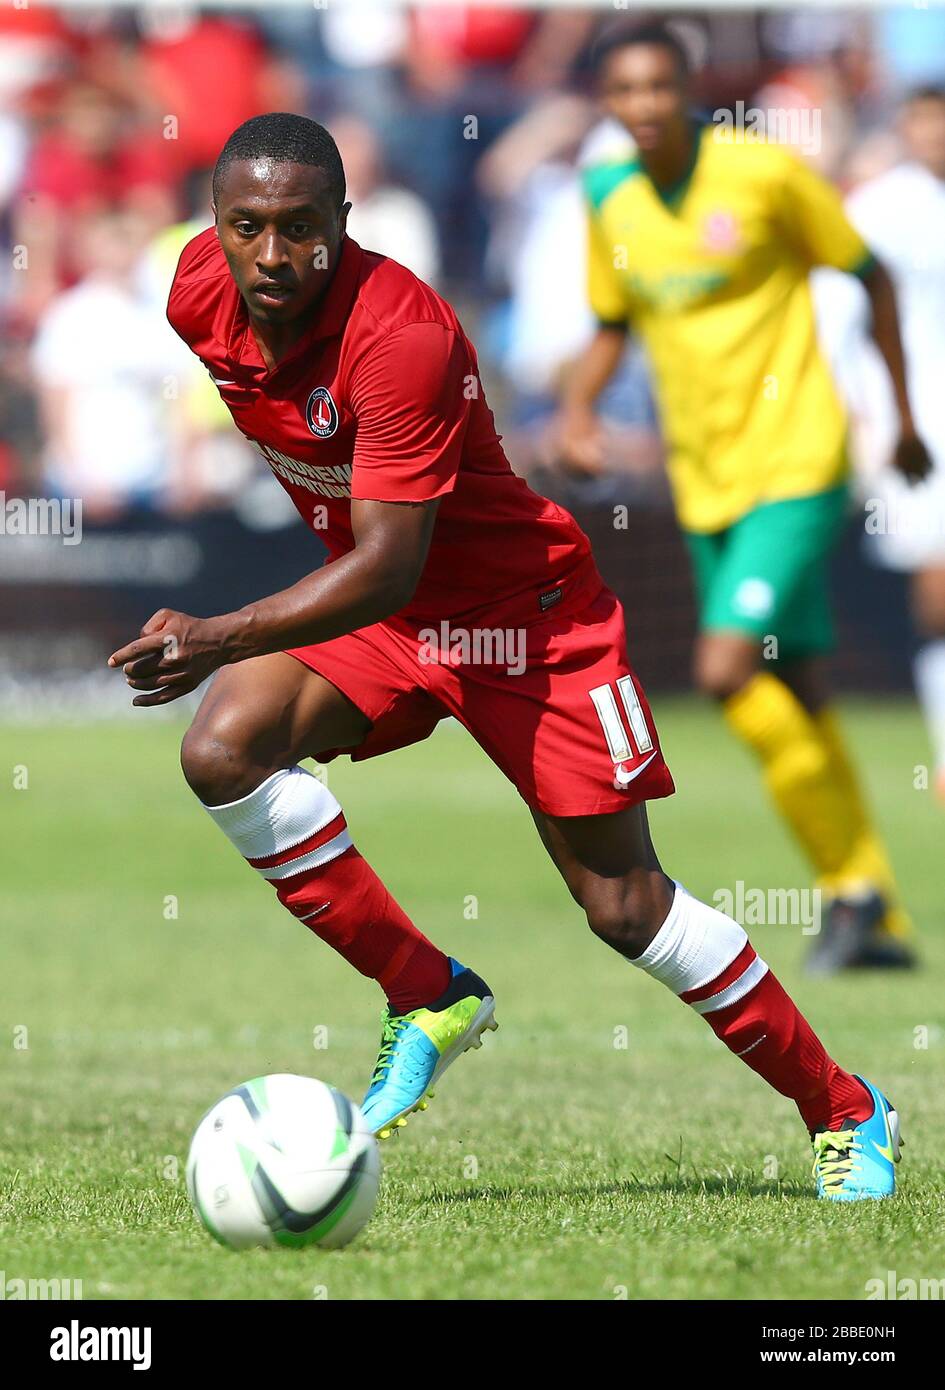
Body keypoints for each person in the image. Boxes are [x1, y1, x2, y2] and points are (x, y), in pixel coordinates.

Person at [109, 112, 900, 1201]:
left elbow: (387, 562)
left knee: (625, 906)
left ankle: (849, 1109)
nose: (274, 256)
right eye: (248, 227)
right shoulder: (196, 295)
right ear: (214, 226)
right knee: (224, 747)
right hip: (390, 618)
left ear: (347, 222)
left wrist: (218, 633)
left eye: (302, 228)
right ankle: (428, 991)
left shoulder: (402, 336)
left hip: (526, 620)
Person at [558, 22, 932, 975]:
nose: (641, 105)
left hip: (798, 462)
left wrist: (897, 416)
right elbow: (613, 317)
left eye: (657, 86)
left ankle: (852, 896)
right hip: (704, 478)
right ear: (607, 100)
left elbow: (868, 274)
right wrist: (576, 408)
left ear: (688, 88)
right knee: (800, 688)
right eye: (623, 90)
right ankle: (869, 911)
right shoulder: (609, 196)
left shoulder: (762, 176)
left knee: (726, 667)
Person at [823, 89, 945, 804]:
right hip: (913, 433)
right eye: (922, 121)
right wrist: (858, 414)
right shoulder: (879, 208)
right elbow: (834, 312)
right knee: (936, 589)